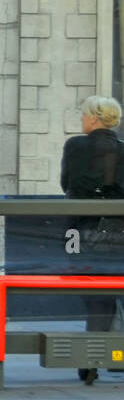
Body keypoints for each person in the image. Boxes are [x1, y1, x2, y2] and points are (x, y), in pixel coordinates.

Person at [60, 95, 124, 375]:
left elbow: (66, 184)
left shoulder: (75, 146)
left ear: (95, 118)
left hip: (83, 233)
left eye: (84, 115)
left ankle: (91, 360)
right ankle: (114, 355)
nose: (82, 119)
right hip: (119, 233)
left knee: (98, 294)